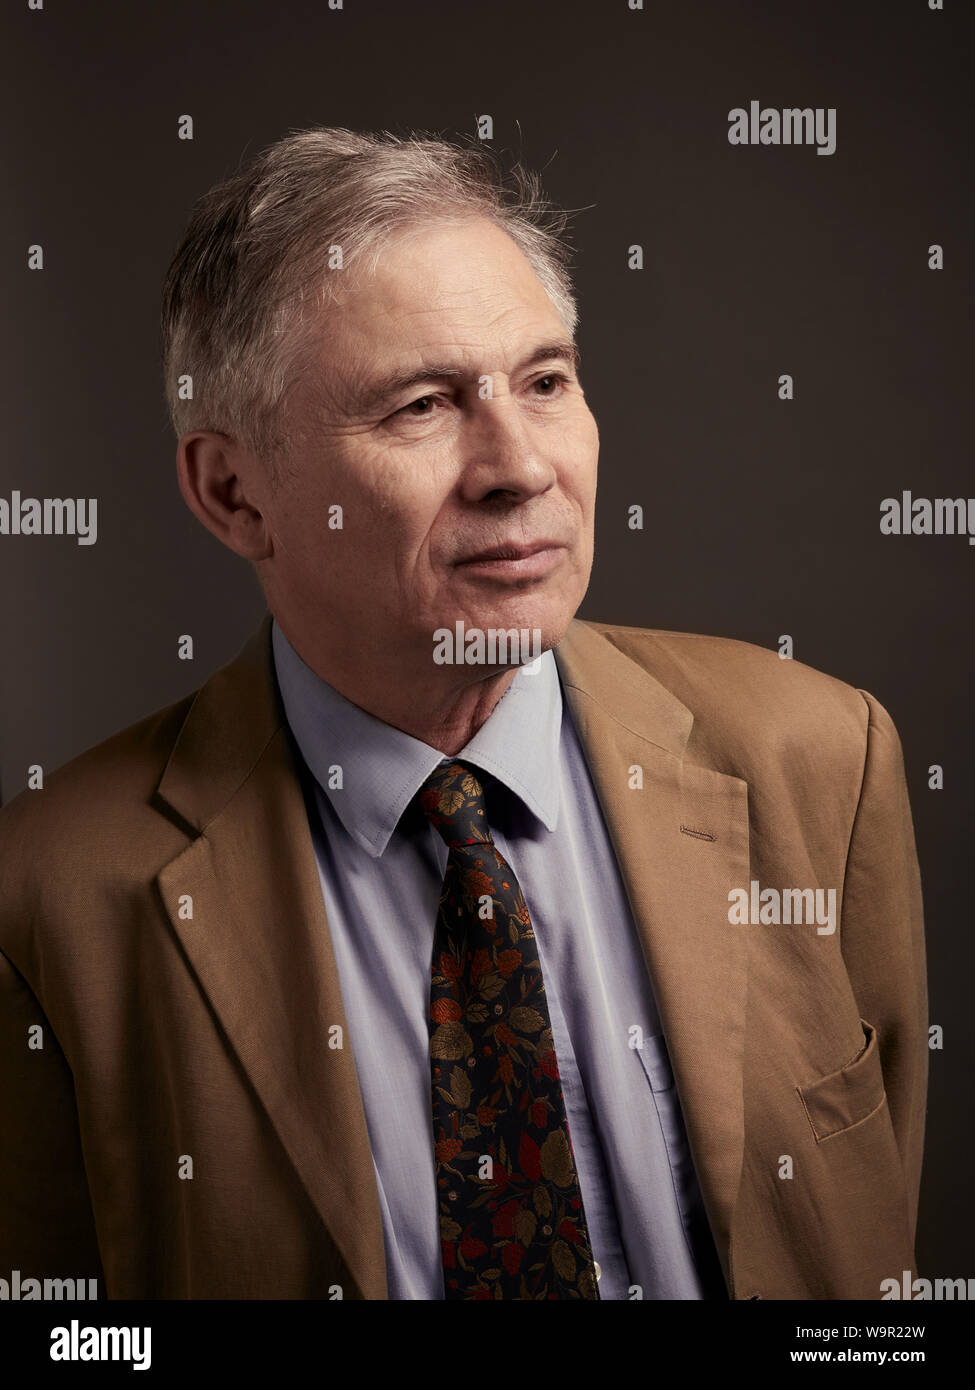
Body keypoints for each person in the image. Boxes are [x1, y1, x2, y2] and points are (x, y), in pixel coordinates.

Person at [0, 127, 927, 1300]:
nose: (520, 465)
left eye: (546, 381)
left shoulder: (819, 757)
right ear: (234, 491)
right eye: (422, 405)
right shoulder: (49, 897)